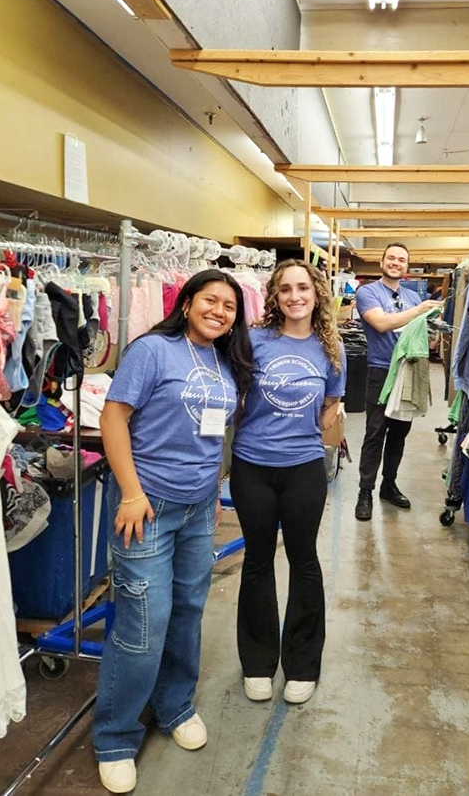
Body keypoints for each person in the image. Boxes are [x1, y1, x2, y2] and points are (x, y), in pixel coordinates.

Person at [93, 269, 252, 794]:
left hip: (199, 506)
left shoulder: (224, 359)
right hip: (148, 507)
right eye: (211, 300)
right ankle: (115, 735)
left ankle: (175, 705)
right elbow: (113, 419)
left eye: (230, 306)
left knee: (187, 611)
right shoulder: (152, 350)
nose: (221, 311)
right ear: (186, 303)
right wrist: (133, 493)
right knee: (143, 624)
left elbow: (215, 435)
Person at [230, 259, 346, 706]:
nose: (295, 296)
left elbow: (331, 405)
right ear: (275, 298)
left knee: (304, 561)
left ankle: (302, 664)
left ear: (316, 293)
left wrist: (301, 434)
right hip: (252, 467)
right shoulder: (254, 341)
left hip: (303, 470)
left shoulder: (330, 349)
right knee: (257, 561)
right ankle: (258, 662)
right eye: (285, 290)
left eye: (303, 288)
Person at [354, 243, 435, 521]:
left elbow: (422, 333)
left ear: (407, 266)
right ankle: (365, 491)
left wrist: (432, 329)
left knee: (399, 433)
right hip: (381, 370)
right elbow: (381, 323)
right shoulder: (367, 292)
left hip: (409, 370)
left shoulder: (412, 296)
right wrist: (421, 310)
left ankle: (389, 485)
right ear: (382, 262)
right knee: (375, 433)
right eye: (391, 258)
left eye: (402, 259)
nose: (396, 263)